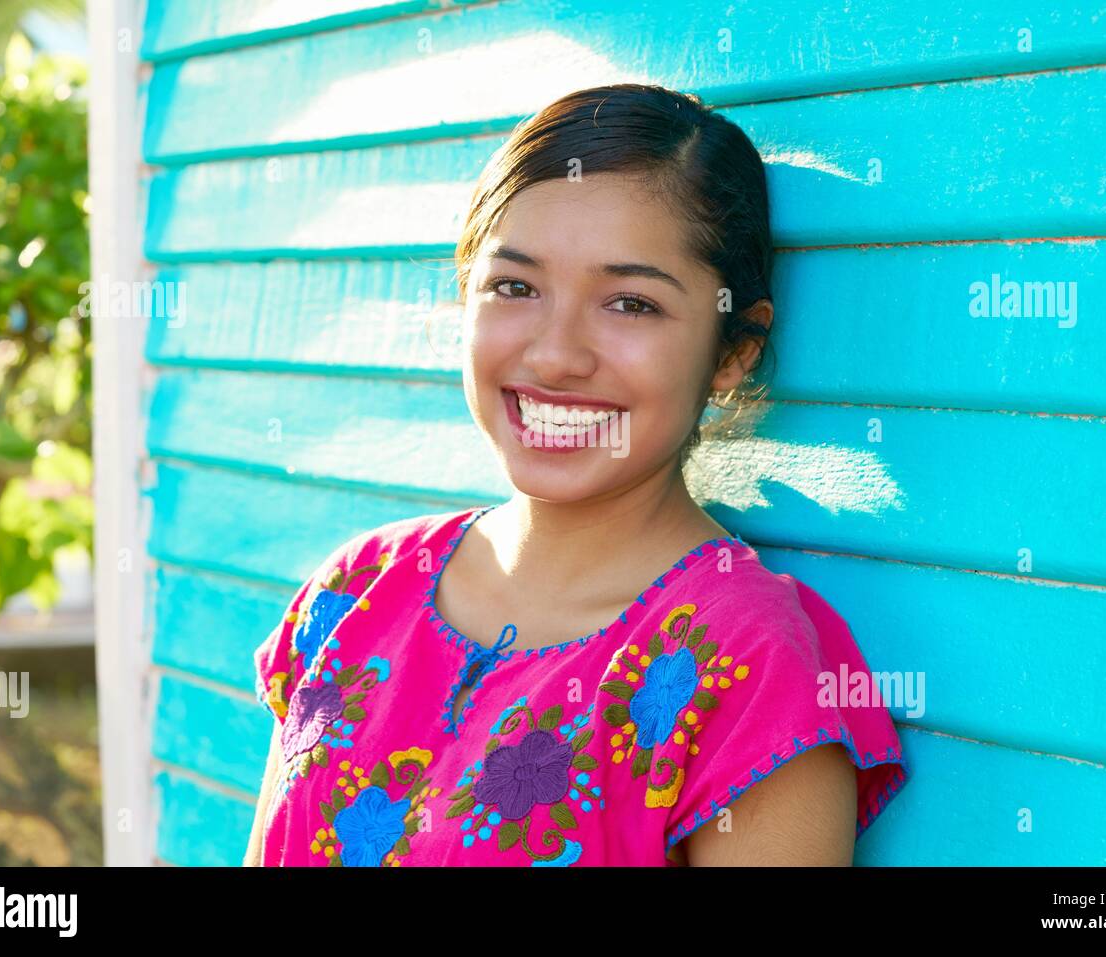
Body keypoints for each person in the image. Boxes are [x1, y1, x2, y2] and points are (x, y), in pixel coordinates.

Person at [245, 83, 908, 867]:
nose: (556, 354)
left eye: (630, 303)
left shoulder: (747, 660)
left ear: (735, 349)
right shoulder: (360, 587)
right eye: (515, 287)